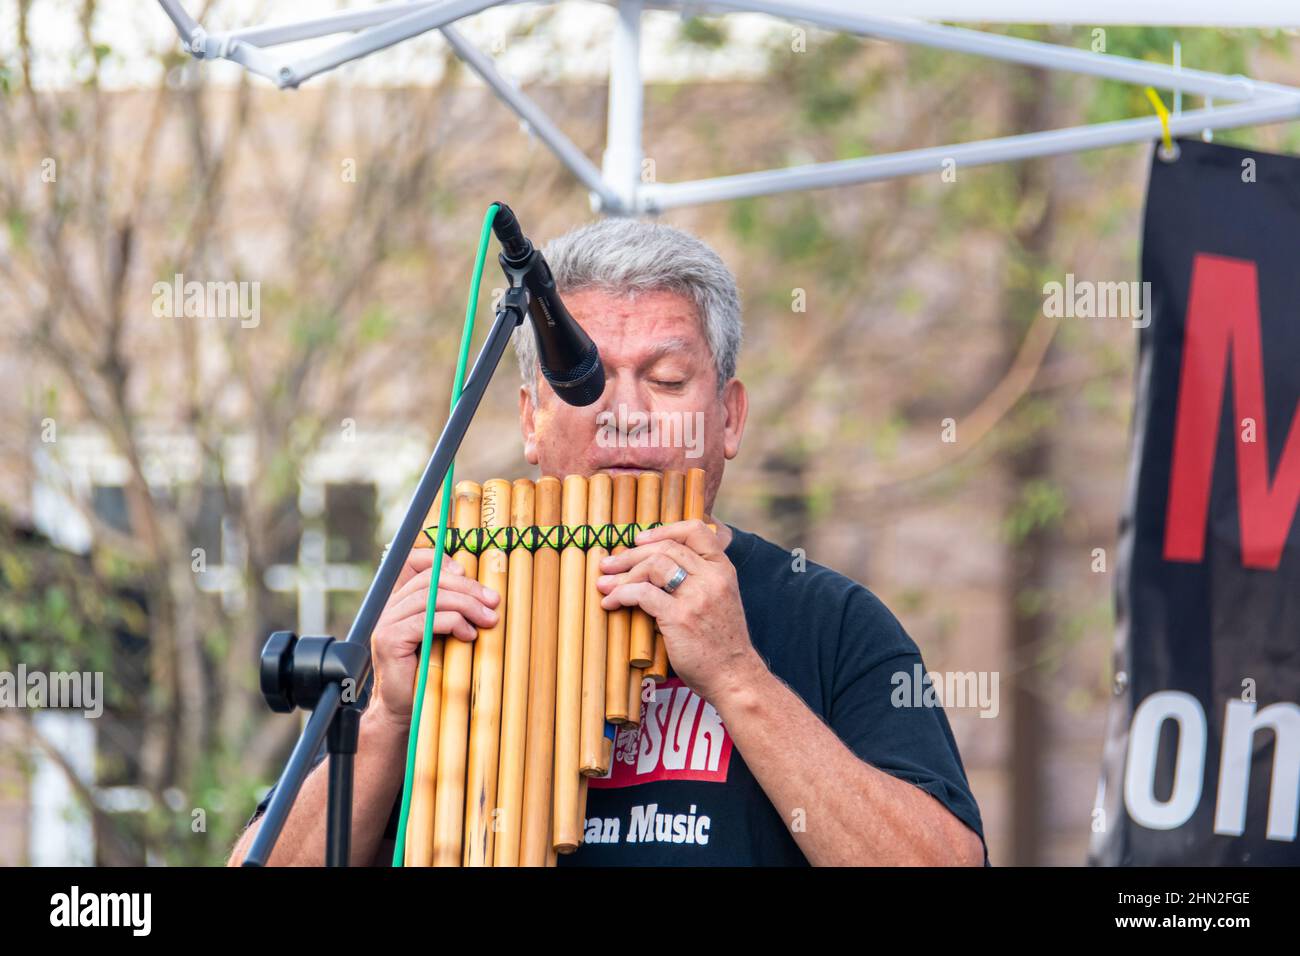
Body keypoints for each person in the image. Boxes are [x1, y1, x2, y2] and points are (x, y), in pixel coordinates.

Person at [229, 217, 986, 866]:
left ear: (729, 417)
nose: (623, 414)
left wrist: (737, 676)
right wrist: (391, 713)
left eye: (664, 379)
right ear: (530, 419)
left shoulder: (833, 623)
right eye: (582, 381)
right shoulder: (442, 607)